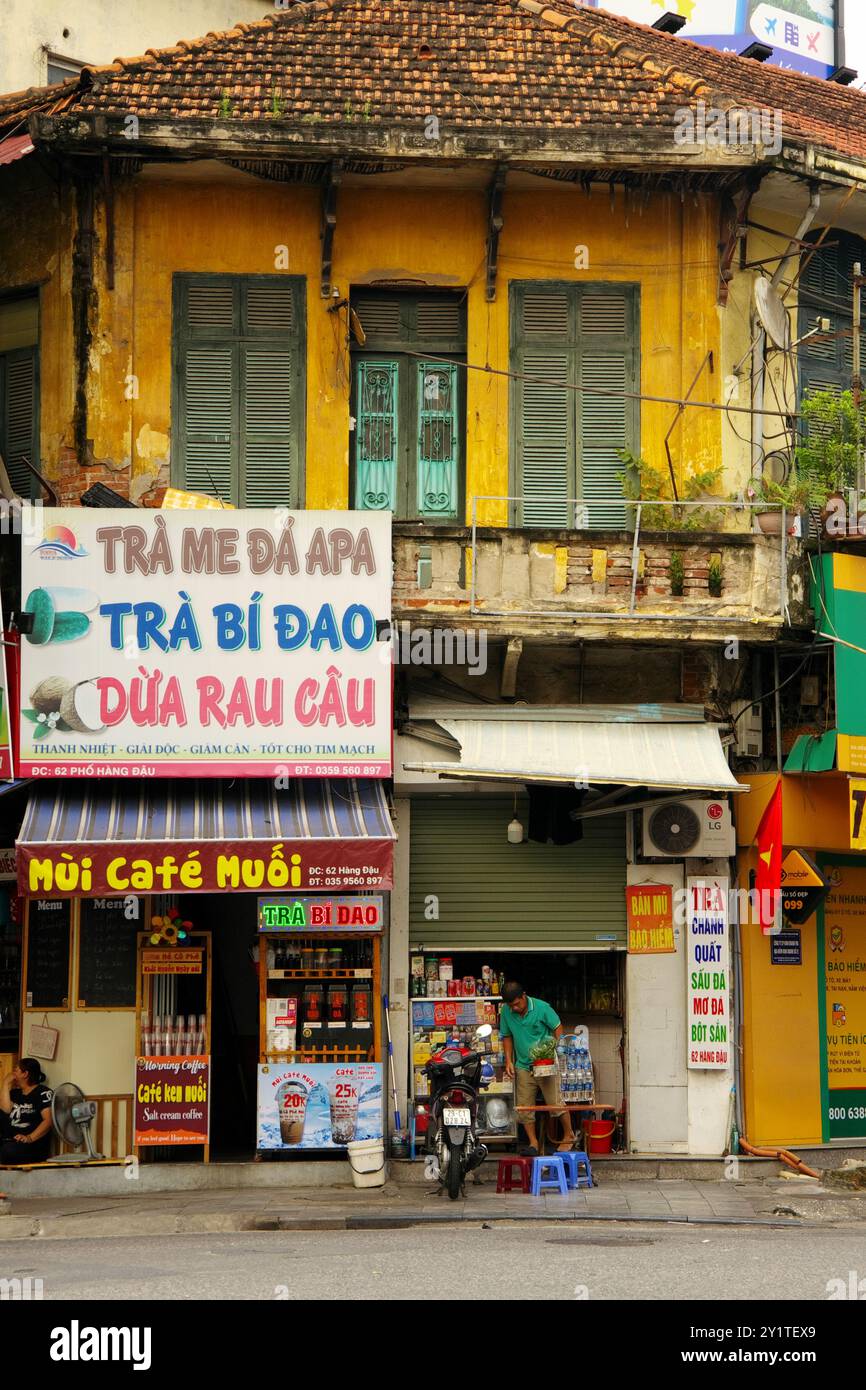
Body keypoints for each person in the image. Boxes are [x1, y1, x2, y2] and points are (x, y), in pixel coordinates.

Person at [500, 982, 575, 1155]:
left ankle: (568, 1135)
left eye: (517, 1003)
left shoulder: (542, 1007)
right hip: (523, 1066)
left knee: (555, 1103)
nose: (515, 1008)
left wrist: (560, 1045)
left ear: (524, 995)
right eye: (511, 1005)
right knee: (525, 1108)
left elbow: (557, 1027)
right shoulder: (506, 1011)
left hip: (545, 1064)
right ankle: (533, 1143)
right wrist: (509, 1061)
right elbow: (507, 1036)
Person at [0, 1059, 54, 1164]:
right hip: (11, 1141)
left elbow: (48, 1121)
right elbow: (5, 1110)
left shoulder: (43, 1093)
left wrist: (29, 1138)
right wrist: (5, 1084)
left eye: (16, 1070)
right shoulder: (15, 1093)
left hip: (33, 1145)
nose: (12, 1074)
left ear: (25, 1074)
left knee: (7, 1151)